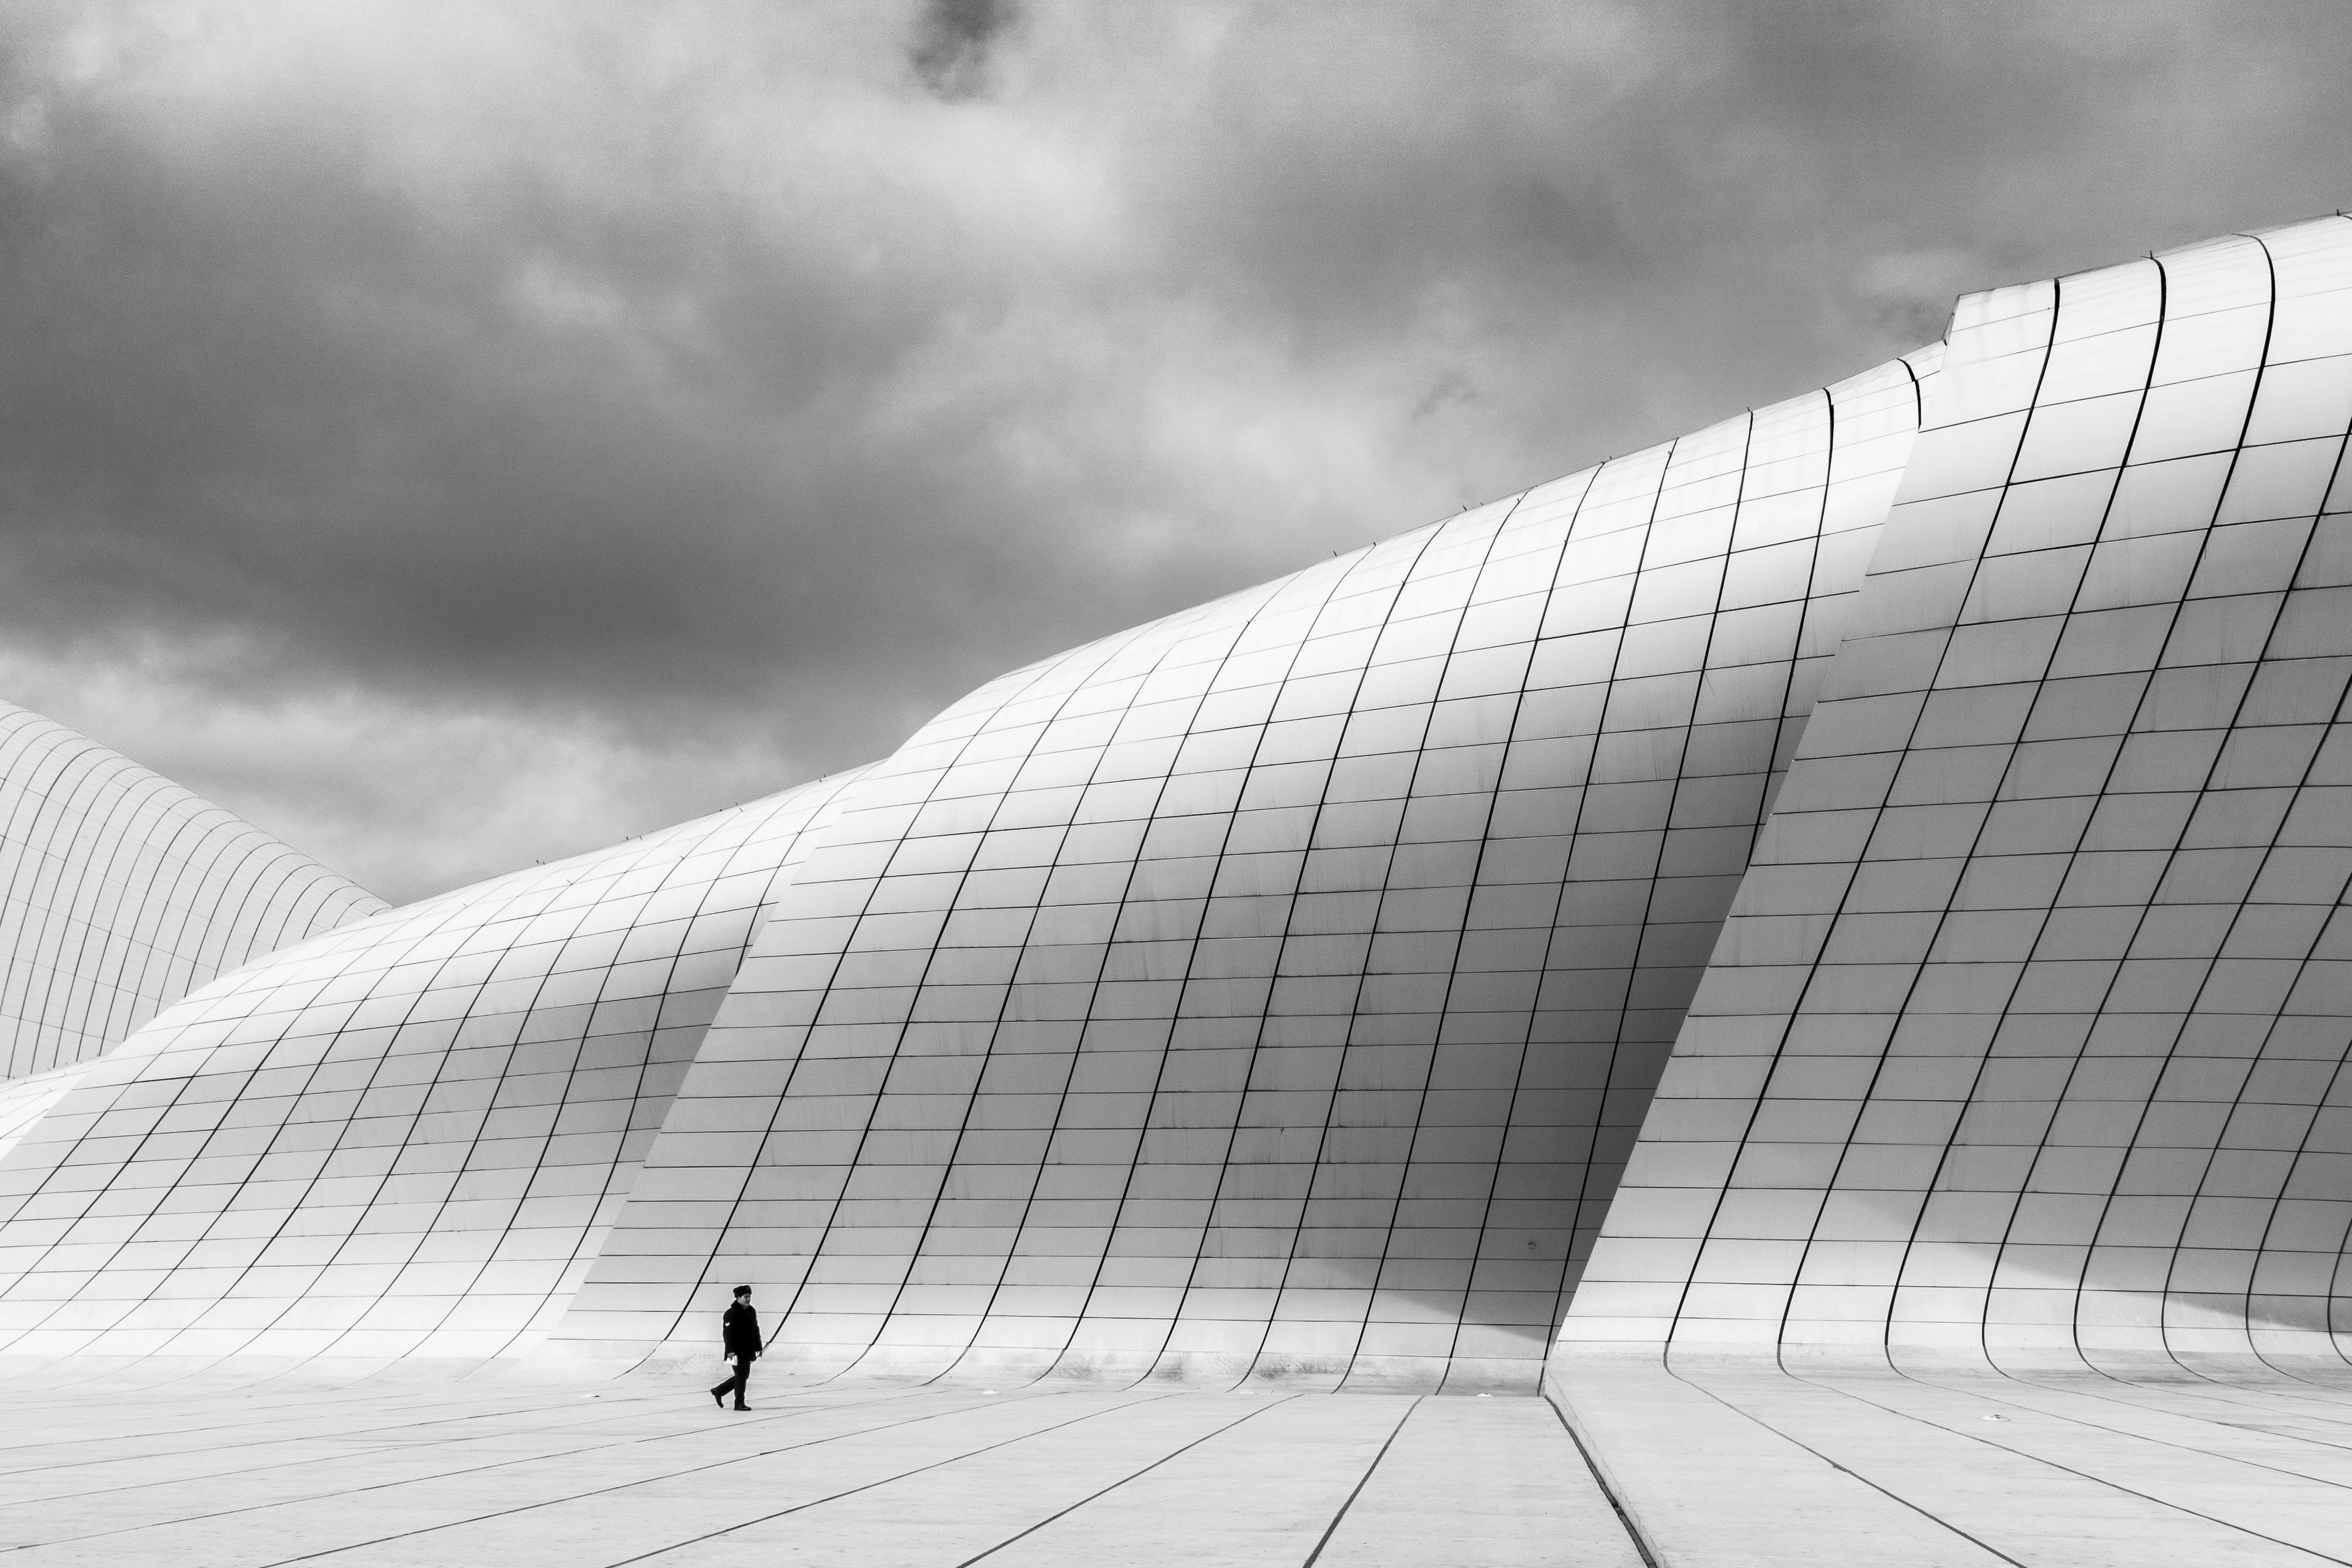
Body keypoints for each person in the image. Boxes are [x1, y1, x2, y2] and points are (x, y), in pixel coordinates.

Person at [710, 1285, 761, 1410]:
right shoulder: (731, 1313)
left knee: (743, 1376)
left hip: (748, 1351)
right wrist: (730, 1351)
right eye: (745, 1297)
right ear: (738, 1298)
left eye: (749, 1297)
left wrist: (759, 1347)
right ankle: (739, 1404)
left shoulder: (751, 1311)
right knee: (741, 1376)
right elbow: (728, 1334)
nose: (748, 1299)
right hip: (734, 1352)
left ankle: (719, 1391)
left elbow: (756, 1330)